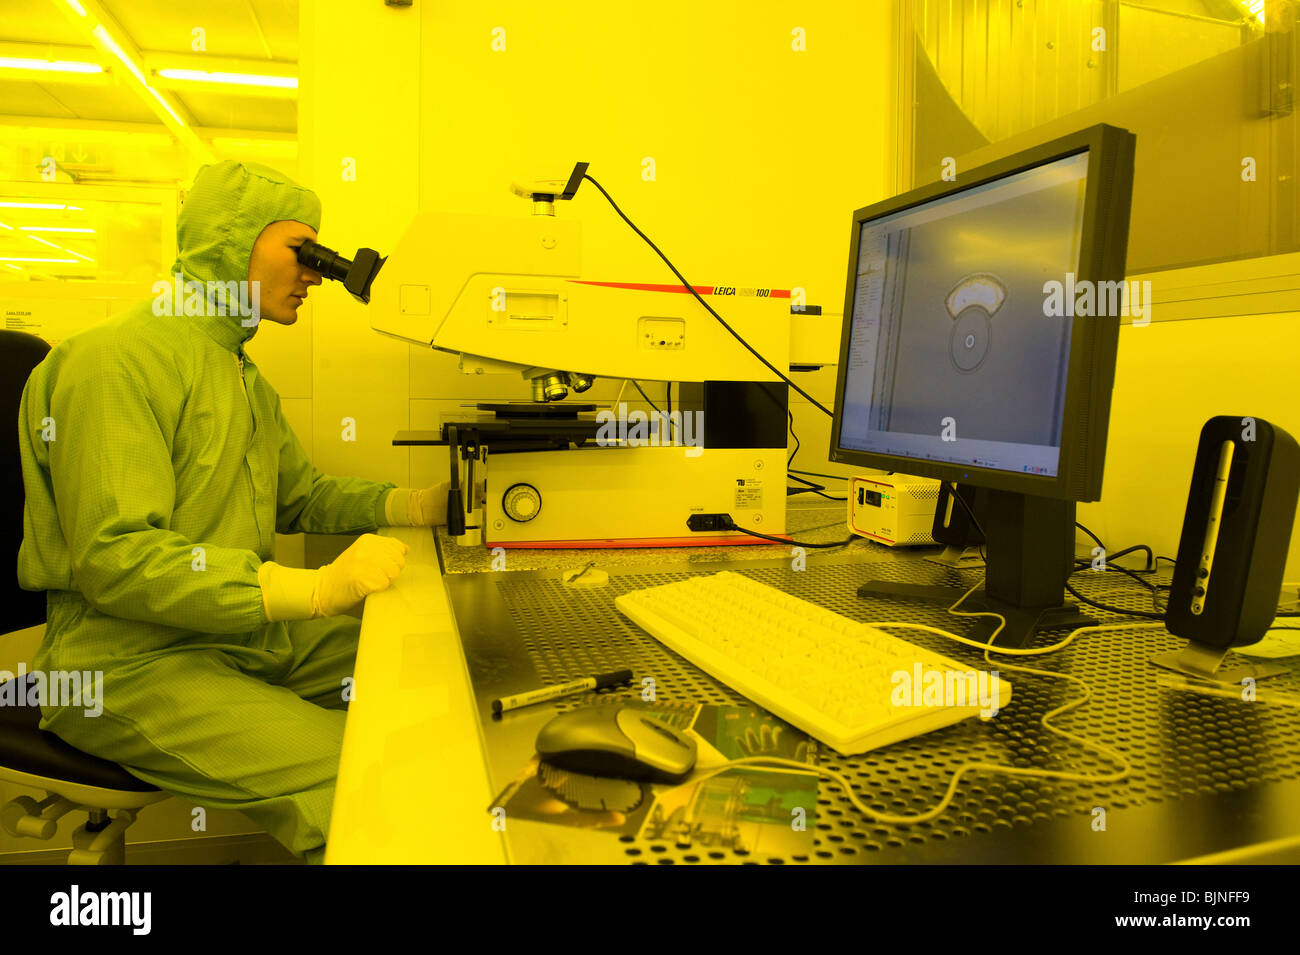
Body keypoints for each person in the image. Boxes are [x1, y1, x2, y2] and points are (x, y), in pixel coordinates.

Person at [16, 160, 446, 864]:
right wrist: (299, 588)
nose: (314, 273)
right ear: (230, 242)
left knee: (417, 678)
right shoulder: (112, 361)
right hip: (125, 665)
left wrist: (412, 504)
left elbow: (300, 494)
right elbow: (115, 557)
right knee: (357, 770)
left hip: (236, 639)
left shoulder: (239, 372)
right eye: (301, 251)